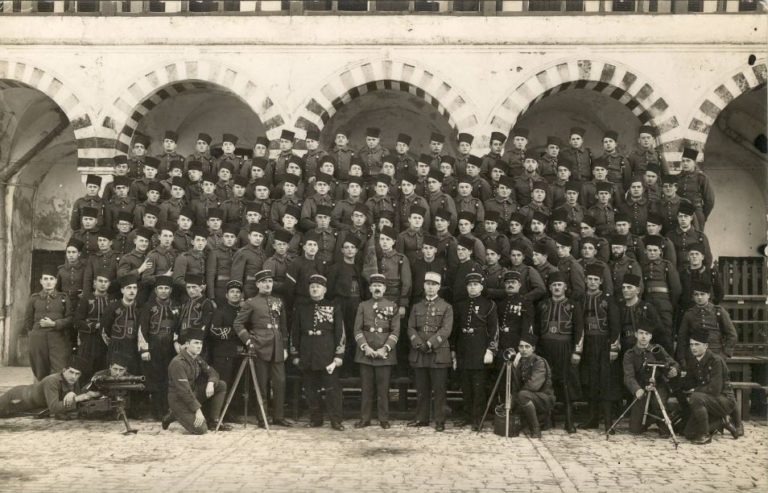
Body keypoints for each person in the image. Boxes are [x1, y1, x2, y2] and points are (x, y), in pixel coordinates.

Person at [233, 270, 292, 427]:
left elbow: (284, 326)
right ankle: (262, 418)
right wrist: (248, 341)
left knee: (280, 382)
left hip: (277, 347)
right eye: (264, 282)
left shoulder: (278, 302)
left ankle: (279, 417)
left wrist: (285, 347)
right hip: (259, 347)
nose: (267, 285)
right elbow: (238, 324)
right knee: (261, 384)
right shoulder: (251, 303)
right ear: (258, 284)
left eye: (270, 282)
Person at [290, 274, 346, 431]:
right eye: (312, 287)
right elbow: (295, 332)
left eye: (318, 287)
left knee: (332, 389)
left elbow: (340, 332)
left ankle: (336, 420)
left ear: (324, 289)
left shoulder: (333, 306)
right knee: (310, 389)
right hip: (307, 352)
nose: (315, 289)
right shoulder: (301, 307)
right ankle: (316, 419)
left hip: (327, 353)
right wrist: (295, 354)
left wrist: (338, 355)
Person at [536, 271, 583, 433]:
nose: (556, 288)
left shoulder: (573, 305)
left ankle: (569, 421)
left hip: (565, 348)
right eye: (554, 285)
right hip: (546, 348)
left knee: (565, 383)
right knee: (547, 382)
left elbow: (579, 330)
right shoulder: (543, 305)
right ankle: (548, 419)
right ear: (549, 288)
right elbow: (535, 329)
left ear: (565, 287)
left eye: (559, 285)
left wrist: (577, 352)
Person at [451, 272, 499, 431]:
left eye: (475, 285)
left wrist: (490, 350)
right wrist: (453, 351)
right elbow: (455, 330)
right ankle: (466, 415)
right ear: (466, 287)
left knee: (479, 387)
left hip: (480, 348)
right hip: (464, 348)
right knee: (466, 385)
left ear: (481, 286)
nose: (472, 287)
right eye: (470, 285)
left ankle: (478, 419)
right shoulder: (460, 304)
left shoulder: (489, 304)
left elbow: (494, 330)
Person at [407, 271, 453, 432]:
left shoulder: (447, 307)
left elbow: (446, 329)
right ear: (424, 286)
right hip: (419, 353)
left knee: (439, 389)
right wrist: (419, 343)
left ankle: (440, 420)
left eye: (434, 285)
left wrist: (430, 343)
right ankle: (422, 418)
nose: (431, 288)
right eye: (428, 284)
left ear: (439, 287)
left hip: (438, 353)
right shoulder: (416, 307)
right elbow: (411, 327)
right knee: (421, 388)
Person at [352, 274, 400, 429]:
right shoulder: (363, 306)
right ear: (370, 288)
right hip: (365, 353)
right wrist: (365, 347)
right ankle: (364, 418)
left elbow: (395, 331)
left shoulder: (392, 306)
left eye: (380, 285)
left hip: (384, 354)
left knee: (383, 389)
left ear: (385, 288)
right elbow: (357, 329)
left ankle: (383, 418)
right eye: (374, 286)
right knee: (366, 388)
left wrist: (384, 348)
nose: (377, 288)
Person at [579, 264, 622, 432]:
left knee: (605, 381)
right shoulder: (581, 299)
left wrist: (613, 347)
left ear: (601, 281)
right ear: (585, 280)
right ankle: (592, 419)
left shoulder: (608, 299)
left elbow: (615, 325)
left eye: (595, 280)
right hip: (588, 343)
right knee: (591, 381)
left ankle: (608, 421)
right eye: (589, 279)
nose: (592, 282)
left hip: (604, 343)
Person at [163, 328, 231, 434]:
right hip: (179, 400)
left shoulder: (196, 358)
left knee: (221, 385)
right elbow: (184, 391)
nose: (199, 346)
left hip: (192, 394)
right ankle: (173, 414)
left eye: (200, 343)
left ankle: (214, 421)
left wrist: (211, 383)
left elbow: (213, 372)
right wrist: (197, 410)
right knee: (201, 429)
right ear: (187, 344)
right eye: (195, 343)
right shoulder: (178, 363)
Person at [678, 328, 737, 444]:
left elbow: (715, 389)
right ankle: (722, 422)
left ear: (705, 346)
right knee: (688, 434)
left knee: (695, 397)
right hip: (707, 400)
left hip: (724, 400)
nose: (693, 347)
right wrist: (675, 377)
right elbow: (688, 382)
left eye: (696, 344)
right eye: (691, 344)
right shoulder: (693, 360)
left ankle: (705, 435)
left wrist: (694, 390)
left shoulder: (715, 361)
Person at [622, 325, 679, 436]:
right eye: (641, 333)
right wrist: (637, 389)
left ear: (651, 336)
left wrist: (674, 370)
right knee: (635, 429)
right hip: (642, 387)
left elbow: (673, 364)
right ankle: (651, 417)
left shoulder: (657, 349)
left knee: (659, 409)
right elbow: (628, 376)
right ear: (636, 334)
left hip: (659, 385)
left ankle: (665, 421)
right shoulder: (630, 354)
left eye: (647, 334)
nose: (644, 336)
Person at [137, 276, 180, 420]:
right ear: (155, 290)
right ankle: (155, 411)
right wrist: (144, 349)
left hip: (170, 346)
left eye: (166, 288)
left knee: (168, 377)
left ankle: (167, 410)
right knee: (154, 378)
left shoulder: (176, 306)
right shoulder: (148, 306)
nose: (163, 291)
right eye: (160, 288)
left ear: (171, 290)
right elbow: (142, 329)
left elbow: (179, 326)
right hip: (153, 345)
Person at [0, 358, 99, 418]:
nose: (74, 376)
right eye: (71, 372)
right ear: (64, 370)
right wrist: (77, 398)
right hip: (18, 397)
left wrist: (73, 394)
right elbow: (54, 408)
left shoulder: (73, 380)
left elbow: (75, 397)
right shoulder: (52, 381)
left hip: (31, 404)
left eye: (77, 374)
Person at [25, 266, 73, 381]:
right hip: (38, 340)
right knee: (40, 371)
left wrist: (54, 324)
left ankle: (55, 397)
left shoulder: (64, 298)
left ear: (56, 281)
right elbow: (28, 320)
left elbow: (70, 319)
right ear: (41, 281)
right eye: (45, 279)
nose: (48, 282)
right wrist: (33, 335)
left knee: (59, 370)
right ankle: (40, 397)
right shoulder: (34, 298)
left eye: (51, 279)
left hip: (58, 340)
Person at [511, 333, 555, 439]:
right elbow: (516, 385)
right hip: (530, 397)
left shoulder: (539, 362)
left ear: (533, 348)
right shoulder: (520, 362)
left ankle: (536, 429)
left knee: (523, 395)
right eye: (521, 347)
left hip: (544, 398)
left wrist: (517, 396)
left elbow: (533, 386)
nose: (524, 350)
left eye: (527, 347)